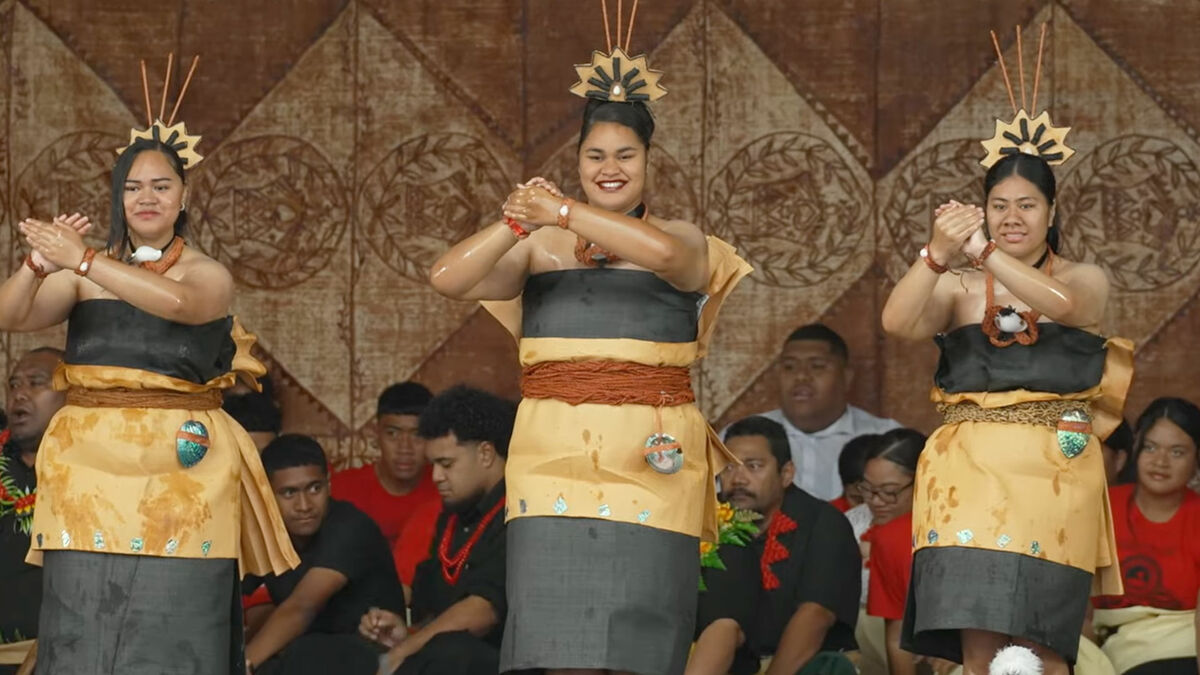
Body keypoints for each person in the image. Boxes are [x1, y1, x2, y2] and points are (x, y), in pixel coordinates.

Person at [428, 9, 751, 673]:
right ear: (575, 161)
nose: (610, 168)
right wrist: (516, 221)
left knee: (638, 641)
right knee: (559, 643)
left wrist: (567, 211)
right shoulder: (543, 244)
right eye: (594, 155)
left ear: (650, 163)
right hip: (552, 459)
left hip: (650, 456)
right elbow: (448, 279)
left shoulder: (684, 237)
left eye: (625, 156)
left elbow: (664, 254)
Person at [0, 61, 297, 674]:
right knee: (83, 619)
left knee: (175, 625)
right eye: (133, 187)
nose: (146, 198)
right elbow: (14, 317)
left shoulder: (204, 273)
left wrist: (81, 259)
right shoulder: (89, 276)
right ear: (118, 197)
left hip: (181, 467)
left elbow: (178, 305)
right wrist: (36, 264)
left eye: (161, 185)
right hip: (89, 469)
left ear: (184, 195)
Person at [881, 37, 1132, 675]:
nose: (1013, 217)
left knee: (1043, 647)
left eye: (1027, 206)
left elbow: (1067, 307)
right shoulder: (959, 287)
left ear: (1052, 212)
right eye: (998, 207)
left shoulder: (1084, 277)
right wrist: (936, 252)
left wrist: (986, 252)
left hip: (1053, 471)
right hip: (966, 476)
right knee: (980, 647)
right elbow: (897, 322)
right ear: (982, 210)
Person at [689, 416, 860, 675]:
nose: (737, 479)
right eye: (728, 467)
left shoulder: (822, 523)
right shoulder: (708, 523)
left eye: (753, 466)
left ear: (786, 474)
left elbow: (816, 615)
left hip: (806, 664)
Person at [367, 385, 513, 675]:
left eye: (446, 464)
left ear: (485, 453)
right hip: (446, 656)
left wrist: (407, 648)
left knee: (451, 653)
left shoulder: (521, 512)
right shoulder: (454, 513)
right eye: (433, 464)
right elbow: (436, 612)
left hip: (501, 663)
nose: (435, 477)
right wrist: (406, 634)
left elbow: (484, 610)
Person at [245, 434, 404, 673]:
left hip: (375, 656)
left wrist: (241, 665)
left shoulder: (349, 526)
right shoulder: (267, 535)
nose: (304, 505)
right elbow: (220, 590)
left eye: (314, 488)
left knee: (301, 653)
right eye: (289, 493)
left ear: (329, 484)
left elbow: (302, 606)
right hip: (308, 658)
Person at [1093, 398, 1200, 674]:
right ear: (1135, 450)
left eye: (1177, 452)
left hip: (1179, 645)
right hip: (1099, 644)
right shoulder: (1100, 509)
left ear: (1196, 460)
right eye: (1151, 448)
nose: (1161, 462)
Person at [756, 324, 900, 500]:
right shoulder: (746, 436)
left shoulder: (886, 439)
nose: (801, 376)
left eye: (817, 366)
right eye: (789, 367)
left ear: (847, 377)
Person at [0, 349, 65, 674]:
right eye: (13, 385)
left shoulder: (100, 471)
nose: (19, 394)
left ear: (73, 393)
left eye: (35, 382)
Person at [332, 382, 439, 546]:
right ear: (377, 435)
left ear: (433, 437)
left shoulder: (446, 490)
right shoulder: (342, 489)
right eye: (392, 434)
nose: (405, 448)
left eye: (417, 435)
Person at [860, 428, 926, 675]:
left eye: (889, 492)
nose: (876, 501)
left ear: (923, 480)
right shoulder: (886, 538)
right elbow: (897, 637)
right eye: (867, 489)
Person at [831, 433, 881, 512]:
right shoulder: (828, 516)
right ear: (844, 490)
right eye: (859, 500)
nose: (868, 509)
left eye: (882, 497)